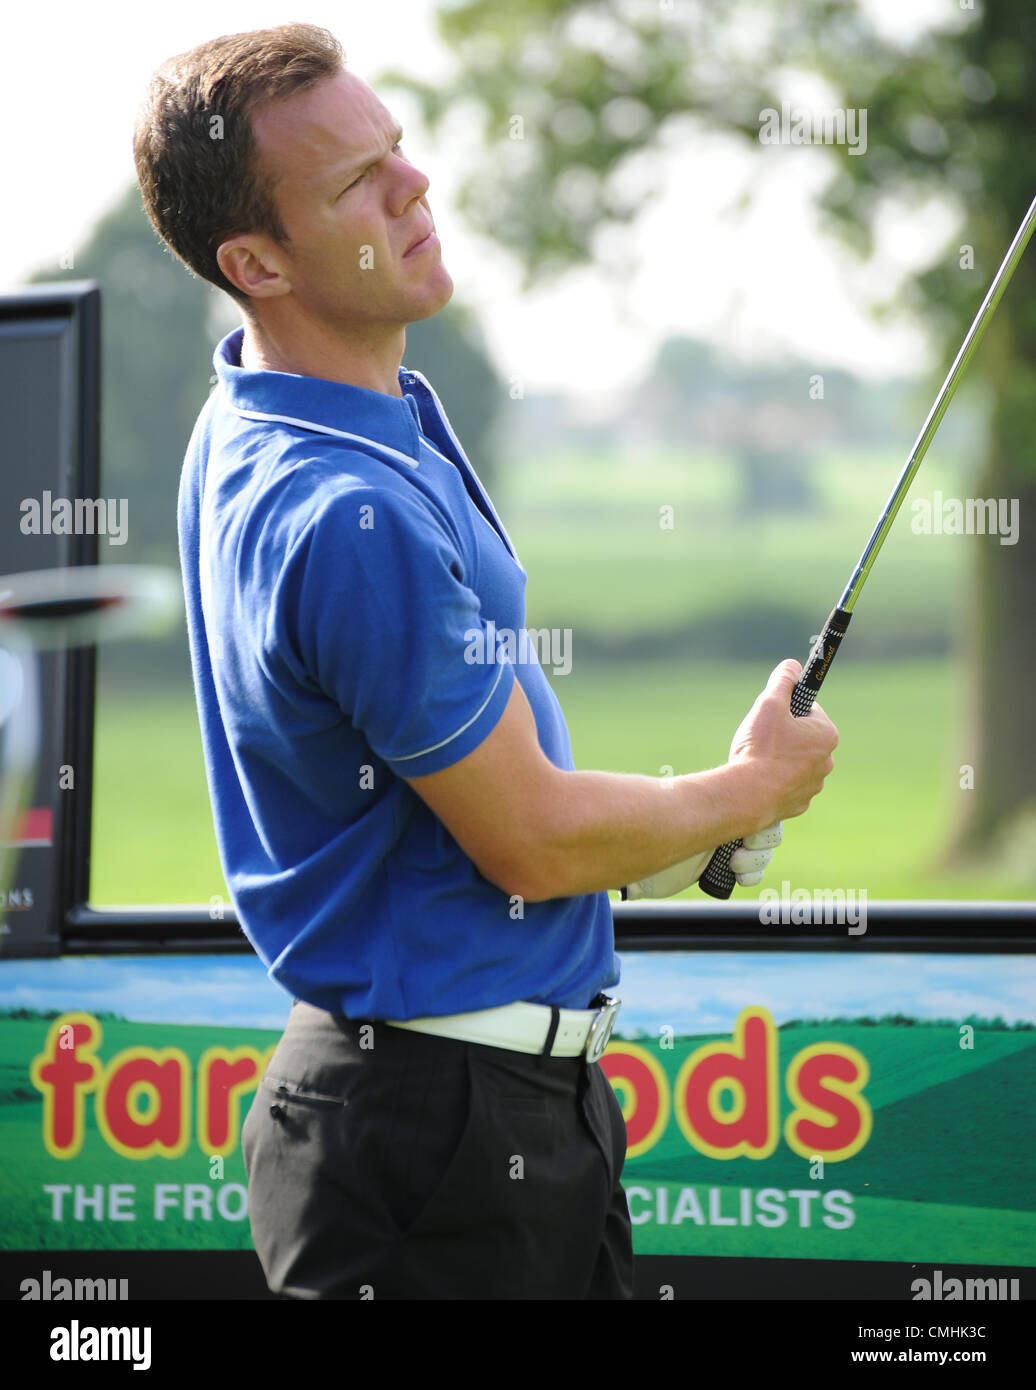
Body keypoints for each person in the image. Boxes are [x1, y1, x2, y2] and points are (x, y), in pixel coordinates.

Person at [133, 23, 839, 1301]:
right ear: (254, 260)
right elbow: (530, 841)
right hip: (434, 1139)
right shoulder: (348, 511)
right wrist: (747, 791)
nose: (414, 187)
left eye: (395, 150)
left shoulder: (286, 403)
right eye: (355, 183)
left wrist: (678, 835)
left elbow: (485, 813)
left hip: (485, 1115)